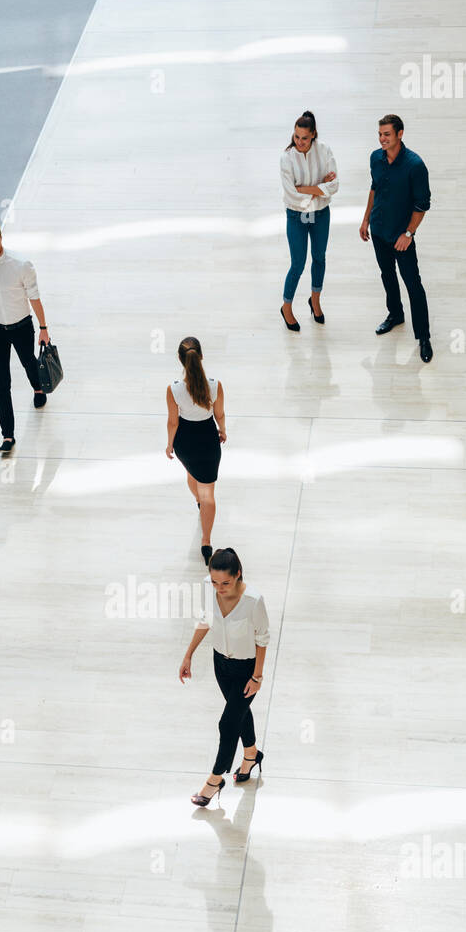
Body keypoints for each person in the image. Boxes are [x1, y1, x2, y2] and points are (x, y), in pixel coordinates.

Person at [179, 548, 269, 807]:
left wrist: (257, 677)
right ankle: (251, 754)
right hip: (221, 664)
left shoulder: (253, 600)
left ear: (238, 574)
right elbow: (206, 620)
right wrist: (189, 655)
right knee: (238, 713)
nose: (219, 588)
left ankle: (215, 779)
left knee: (227, 724)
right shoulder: (210, 588)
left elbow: (262, 639)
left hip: (246, 669)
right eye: (215, 581)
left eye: (226, 583)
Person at [0, 219, 52, 454]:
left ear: (1, 239)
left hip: (21, 326)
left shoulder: (21, 264)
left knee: (29, 363)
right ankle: (8, 436)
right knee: (2, 382)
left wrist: (43, 328)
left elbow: (34, 297)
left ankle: (38, 388)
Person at [359, 115, 433, 363]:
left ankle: (424, 336)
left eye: (387, 134)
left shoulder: (415, 165)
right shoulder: (375, 158)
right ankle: (395, 314)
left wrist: (409, 234)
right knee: (387, 275)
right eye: (380, 134)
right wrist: (366, 219)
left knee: (413, 283)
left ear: (400, 134)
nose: (382, 139)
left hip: (401, 236)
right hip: (379, 230)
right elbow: (374, 188)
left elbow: (422, 205)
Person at [165, 337, 226, 565]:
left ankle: (200, 504)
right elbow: (219, 414)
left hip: (185, 441)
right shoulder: (215, 385)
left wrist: (170, 444)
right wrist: (223, 430)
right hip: (208, 438)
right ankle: (206, 541)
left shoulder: (174, 389)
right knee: (208, 491)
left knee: (192, 475)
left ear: (181, 361)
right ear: (201, 356)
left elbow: (173, 422)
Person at [280, 110, 338, 330]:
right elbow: (292, 195)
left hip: (321, 214)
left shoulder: (324, 151)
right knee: (297, 264)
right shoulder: (286, 158)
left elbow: (334, 186)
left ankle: (315, 300)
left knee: (319, 258)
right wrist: (319, 187)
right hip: (296, 216)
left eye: (304, 138)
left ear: (313, 134)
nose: (300, 142)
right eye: (296, 137)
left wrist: (305, 188)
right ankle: (286, 307)